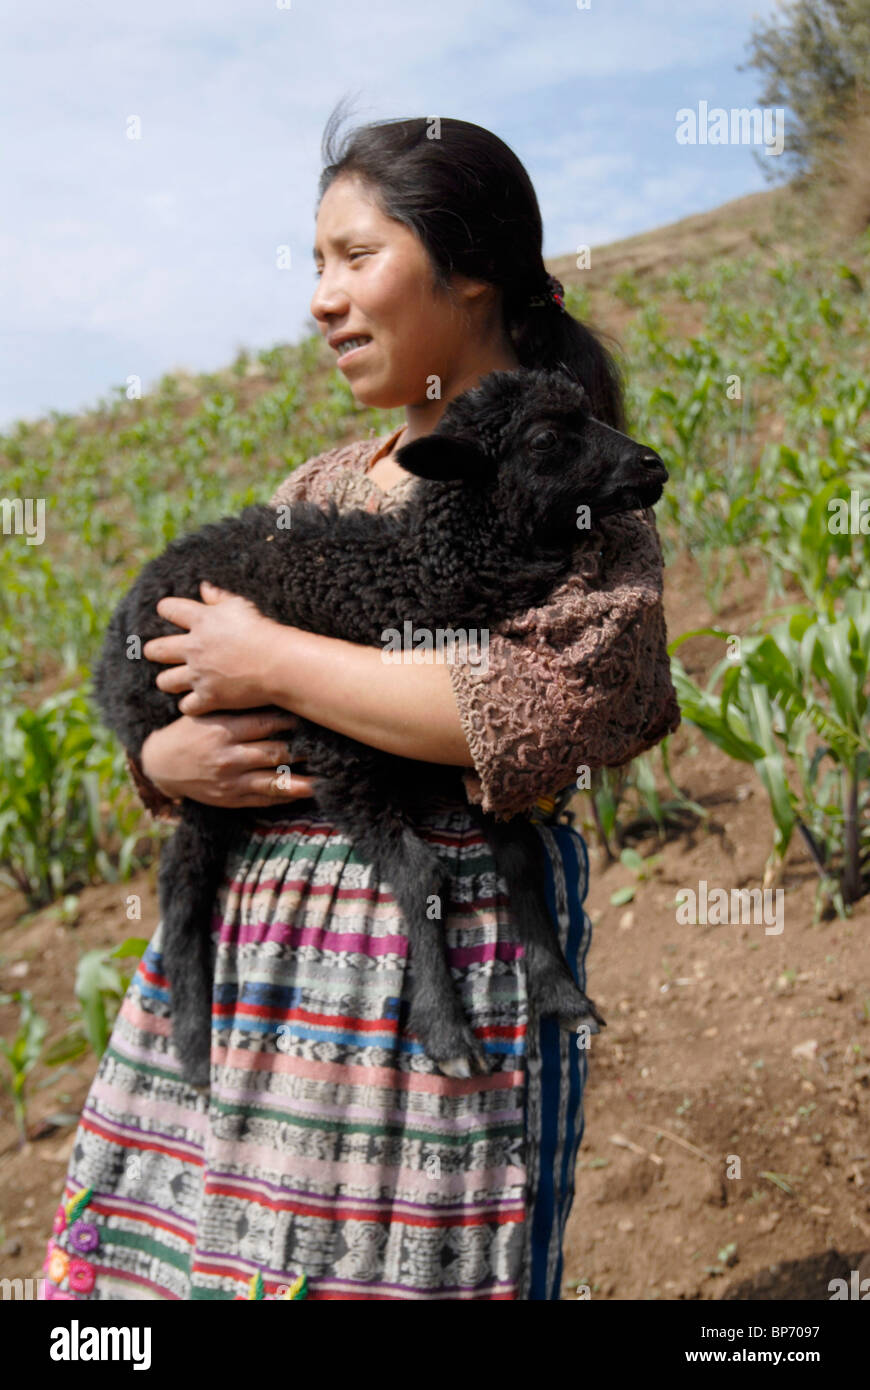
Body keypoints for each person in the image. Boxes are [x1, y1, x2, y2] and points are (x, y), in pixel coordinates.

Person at [41, 108, 680, 1302]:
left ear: (472, 269)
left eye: (355, 256)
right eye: (316, 263)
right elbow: (192, 675)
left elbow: (556, 707)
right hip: (258, 954)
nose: (322, 298)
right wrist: (171, 757)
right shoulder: (323, 488)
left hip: (443, 954)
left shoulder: (581, 498)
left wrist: (273, 659)